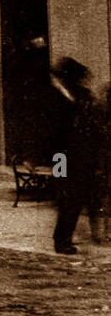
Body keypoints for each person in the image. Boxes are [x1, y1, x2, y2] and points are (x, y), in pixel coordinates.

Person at [50, 57, 108, 254]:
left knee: (79, 195)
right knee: (65, 194)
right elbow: (46, 131)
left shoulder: (82, 95)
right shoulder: (53, 98)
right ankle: (62, 240)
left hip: (82, 155)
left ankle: (70, 235)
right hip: (60, 156)